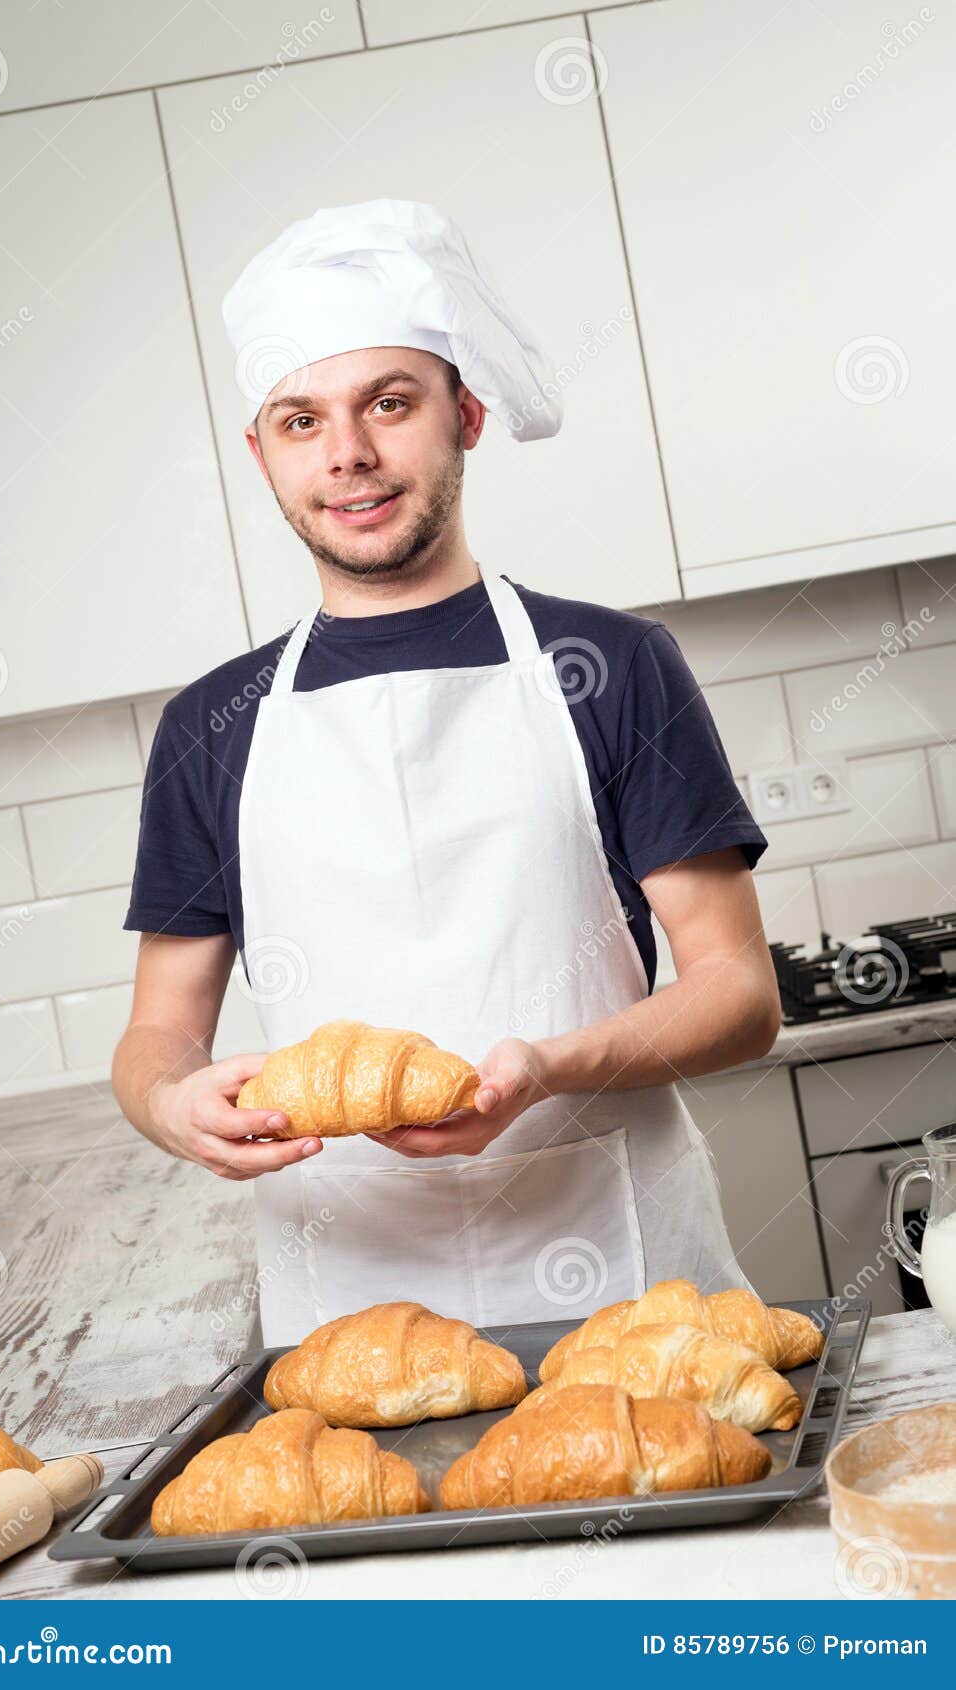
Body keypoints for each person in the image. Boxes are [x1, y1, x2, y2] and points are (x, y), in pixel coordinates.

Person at [113, 198, 780, 1345]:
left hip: (628, 1294)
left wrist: (552, 1065)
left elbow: (741, 995)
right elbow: (158, 1033)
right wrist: (174, 1105)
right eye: (300, 419)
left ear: (463, 415)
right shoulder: (212, 726)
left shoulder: (610, 666)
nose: (349, 456)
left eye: (388, 402)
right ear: (260, 452)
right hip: (354, 1307)